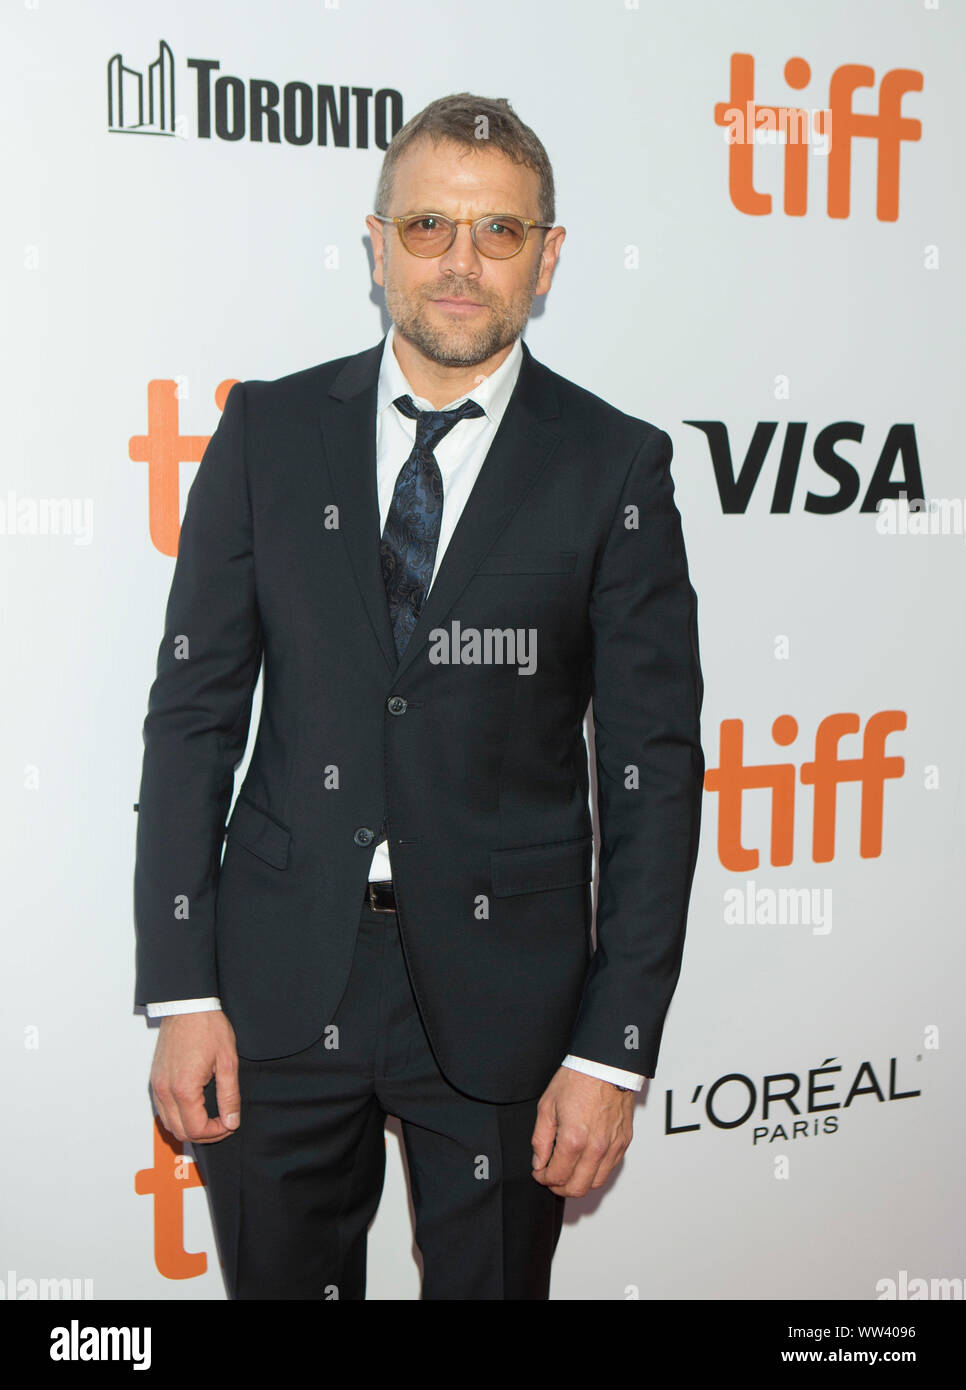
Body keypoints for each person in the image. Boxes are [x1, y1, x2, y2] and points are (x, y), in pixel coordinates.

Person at [134, 92, 705, 1301]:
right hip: (280, 983)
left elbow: (652, 777)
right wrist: (183, 987)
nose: (459, 263)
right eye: (429, 225)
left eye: (499, 233)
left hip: (512, 1002)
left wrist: (616, 1048)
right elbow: (194, 718)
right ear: (377, 241)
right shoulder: (268, 432)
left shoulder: (616, 466)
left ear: (547, 258)